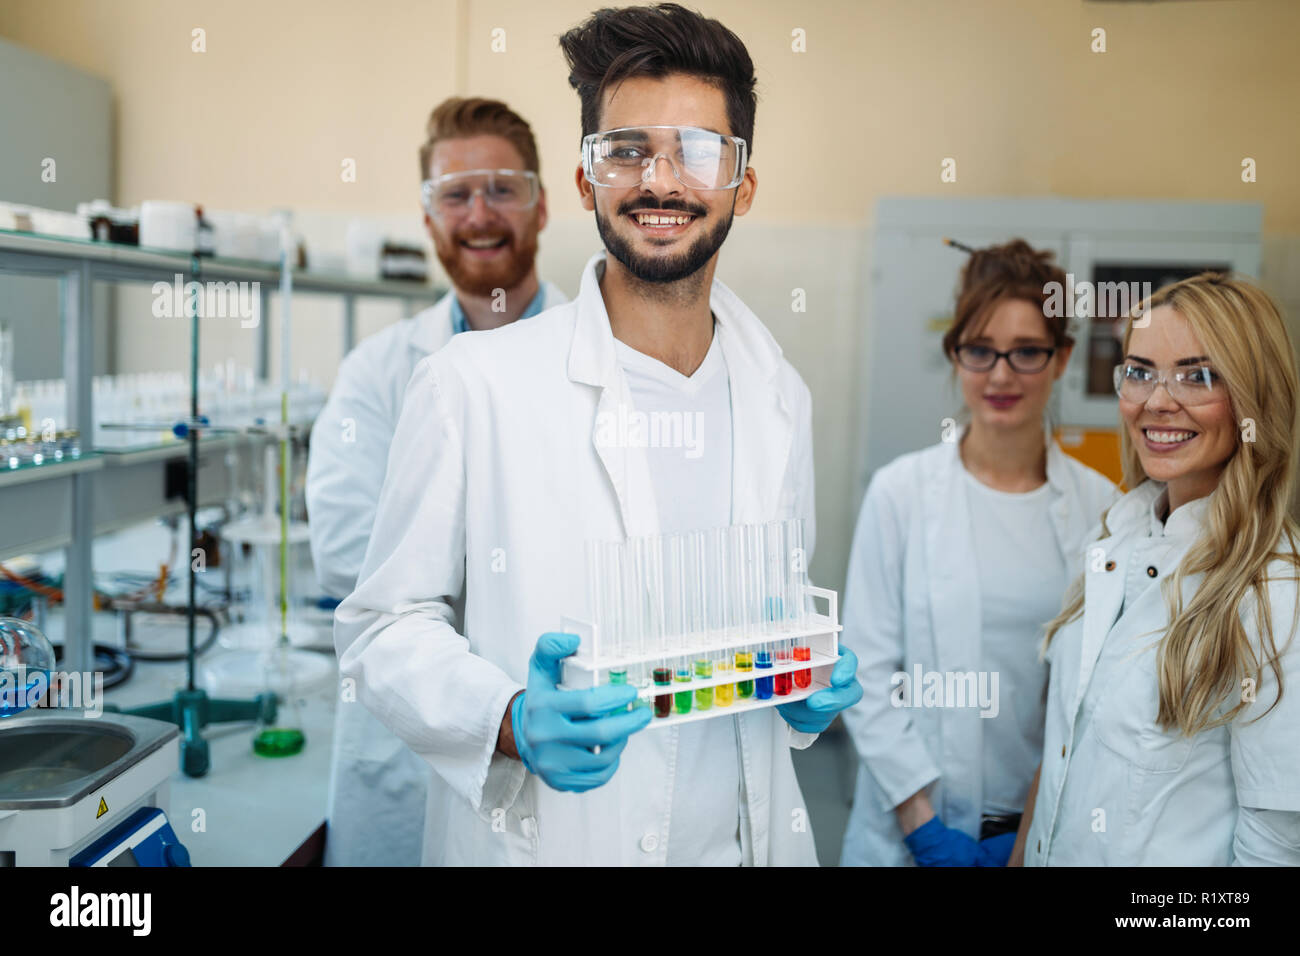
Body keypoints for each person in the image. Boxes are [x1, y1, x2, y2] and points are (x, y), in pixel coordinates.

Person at [334, 2, 861, 866]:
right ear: (585, 182)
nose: (660, 181)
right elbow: (384, 626)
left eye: (697, 151)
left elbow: (776, 603)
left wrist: (799, 674)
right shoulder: (473, 386)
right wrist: (506, 719)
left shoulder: (781, 398)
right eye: (627, 151)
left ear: (743, 185)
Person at [307, 96, 567, 867]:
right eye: (455, 194)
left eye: (502, 189)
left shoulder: (602, 361)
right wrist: (516, 575)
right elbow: (346, 553)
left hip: (556, 737)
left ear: (542, 204)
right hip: (406, 747)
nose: (479, 213)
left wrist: (438, 571)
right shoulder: (377, 374)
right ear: (428, 219)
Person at [839, 240, 1117, 867]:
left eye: (1026, 352)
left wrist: (1026, 843)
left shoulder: (1104, 510)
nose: (1000, 375)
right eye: (980, 351)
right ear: (955, 355)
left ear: (1061, 358)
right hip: (909, 828)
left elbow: (1091, 699)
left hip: (1043, 828)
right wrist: (922, 828)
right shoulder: (901, 493)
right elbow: (867, 672)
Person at [1011, 273, 1300, 866]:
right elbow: (1067, 748)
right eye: (1140, 371)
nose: (1157, 400)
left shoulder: (1275, 592)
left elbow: (1273, 847)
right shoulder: (1116, 532)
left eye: (1197, 376)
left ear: (1254, 396)